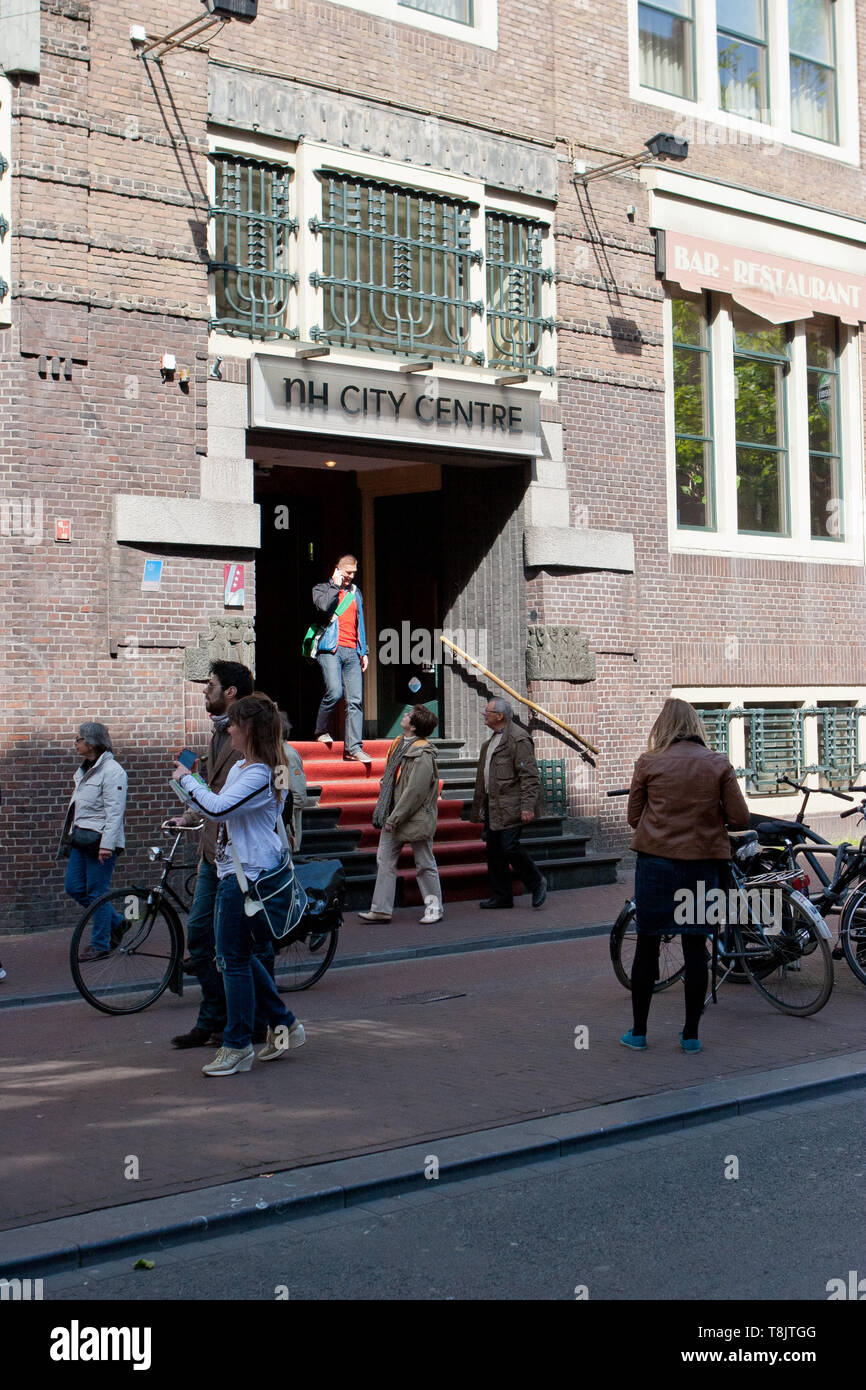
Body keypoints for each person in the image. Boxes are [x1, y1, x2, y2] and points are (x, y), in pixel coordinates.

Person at [173, 693, 306, 1077]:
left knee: (231, 958)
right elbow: (213, 805)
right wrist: (191, 786)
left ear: (248, 728)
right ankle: (285, 1025)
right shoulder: (243, 769)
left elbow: (219, 808)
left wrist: (187, 780)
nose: (227, 728)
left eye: (233, 723)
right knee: (239, 956)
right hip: (235, 871)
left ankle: (237, 1046)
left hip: (248, 875)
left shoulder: (259, 773)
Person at [623, 697, 751, 1054]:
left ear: (662, 726)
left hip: (656, 865)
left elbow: (635, 818)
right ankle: (691, 1035)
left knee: (647, 944)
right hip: (701, 865)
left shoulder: (648, 762)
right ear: (696, 726)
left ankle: (638, 1032)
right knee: (696, 947)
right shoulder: (717, 764)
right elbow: (740, 819)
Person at [168, 661, 278, 1051]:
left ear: (231, 692)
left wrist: (188, 783)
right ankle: (218, 1019)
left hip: (248, 863)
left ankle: (250, 1026)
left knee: (241, 949)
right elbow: (215, 793)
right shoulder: (222, 736)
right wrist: (191, 811)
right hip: (215, 854)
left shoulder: (256, 748)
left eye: (210, 684)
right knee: (201, 939)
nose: (204, 690)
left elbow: (260, 802)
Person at [358, 705, 444, 926]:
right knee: (384, 860)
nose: (403, 716)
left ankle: (435, 908)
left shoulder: (423, 754)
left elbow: (415, 792)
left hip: (411, 817)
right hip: (392, 813)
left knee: (424, 863)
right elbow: (393, 778)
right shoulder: (398, 743)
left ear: (413, 726)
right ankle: (381, 909)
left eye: (408, 715)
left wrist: (393, 818)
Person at [59, 723, 128, 959]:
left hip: (100, 842)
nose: (75, 743)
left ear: (91, 742)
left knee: (98, 892)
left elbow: (115, 811)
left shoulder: (112, 771)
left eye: (78, 739)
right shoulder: (85, 770)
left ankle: (101, 945)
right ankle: (117, 921)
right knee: (74, 887)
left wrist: (107, 845)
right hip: (81, 838)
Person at [470, 697, 546, 910]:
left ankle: (536, 881)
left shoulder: (518, 739)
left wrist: (527, 806)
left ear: (499, 716)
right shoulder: (491, 742)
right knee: (494, 851)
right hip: (493, 805)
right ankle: (502, 896)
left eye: (488, 711)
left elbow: (529, 776)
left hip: (511, 806)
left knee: (509, 846)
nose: (484, 714)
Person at [312, 553, 371, 763]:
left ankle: (354, 748)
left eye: (354, 573)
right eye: (348, 572)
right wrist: (336, 587)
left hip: (352, 651)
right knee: (335, 692)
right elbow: (322, 608)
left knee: (355, 700)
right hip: (330, 650)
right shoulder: (321, 589)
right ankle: (321, 729)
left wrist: (364, 651)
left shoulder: (356, 593)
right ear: (338, 569)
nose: (351, 577)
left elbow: (360, 622)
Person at [278, 710, 309, 852]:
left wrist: (284, 820)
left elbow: (297, 795)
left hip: (285, 829)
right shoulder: (277, 754)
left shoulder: (287, 755)